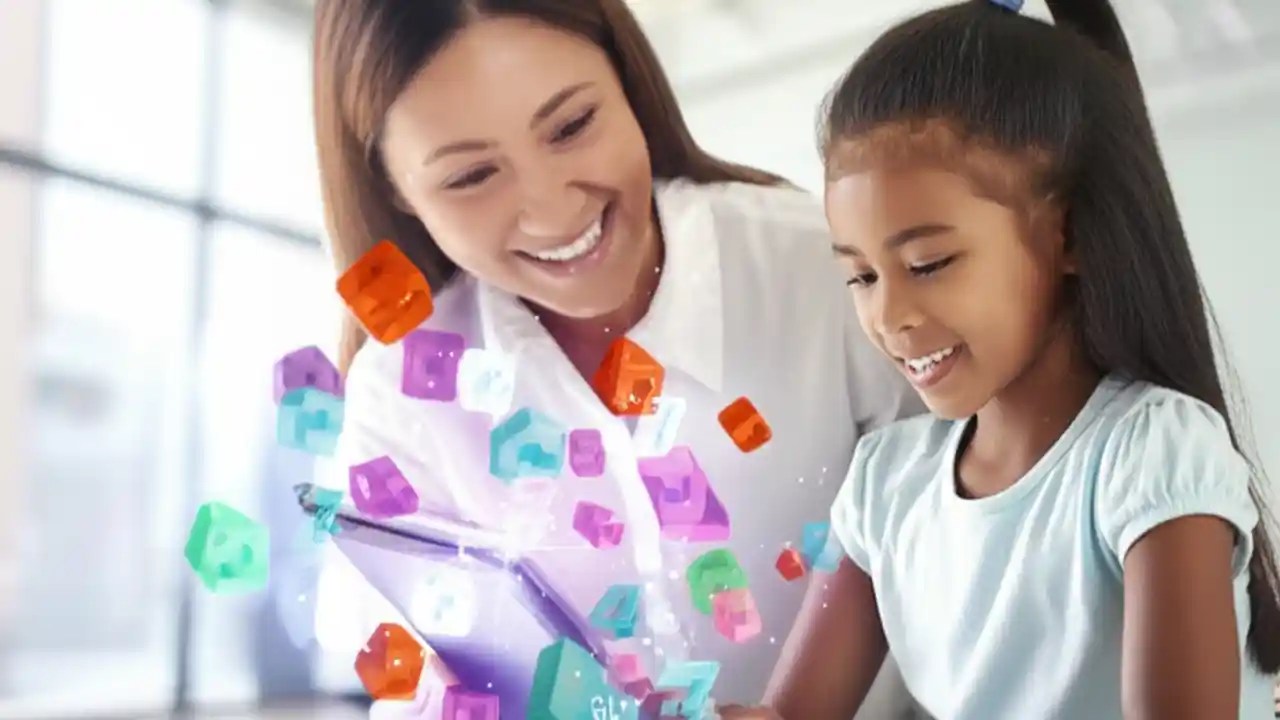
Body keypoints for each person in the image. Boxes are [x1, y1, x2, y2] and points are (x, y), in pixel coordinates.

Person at [311, 0, 923, 716]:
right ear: (394, 189)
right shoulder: (404, 387)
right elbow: (379, 644)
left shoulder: (826, 269)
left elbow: (968, 539)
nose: (550, 209)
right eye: (472, 176)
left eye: (571, 126)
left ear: (625, 79)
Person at [720, 1, 1280, 718]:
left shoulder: (1152, 459)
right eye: (860, 276)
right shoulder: (884, 487)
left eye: (928, 263)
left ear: (1068, 235)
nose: (889, 317)